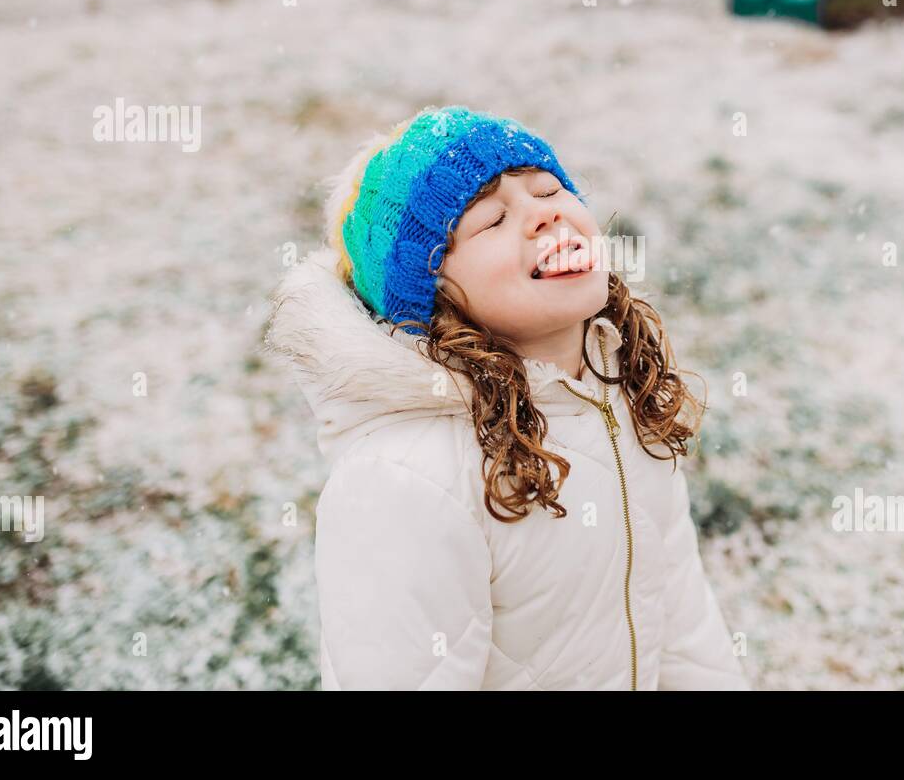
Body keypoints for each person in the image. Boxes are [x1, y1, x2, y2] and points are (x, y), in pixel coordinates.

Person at [265, 104, 751, 690]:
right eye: (492, 221)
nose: (544, 217)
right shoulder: (405, 479)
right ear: (429, 296)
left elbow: (680, 614)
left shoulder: (618, 390)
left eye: (549, 190)